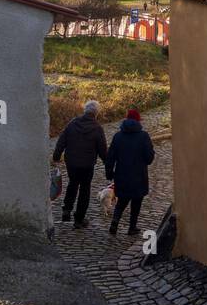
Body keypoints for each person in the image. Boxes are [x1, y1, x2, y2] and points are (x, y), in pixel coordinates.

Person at [53, 99, 107, 228]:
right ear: (96, 113)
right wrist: (107, 162)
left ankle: (66, 210)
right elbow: (102, 149)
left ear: (85, 110)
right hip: (87, 164)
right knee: (84, 189)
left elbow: (62, 139)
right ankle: (79, 219)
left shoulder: (73, 123)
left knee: (72, 184)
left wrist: (56, 155)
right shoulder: (97, 128)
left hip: (71, 162)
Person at [105, 108, 155, 236]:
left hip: (122, 174)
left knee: (122, 200)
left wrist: (109, 173)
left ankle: (114, 222)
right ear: (138, 121)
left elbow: (110, 157)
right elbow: (149, 158)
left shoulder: (118, 136)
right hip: (139, 175)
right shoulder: (143, 136)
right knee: (136, 201)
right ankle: (132, 227)